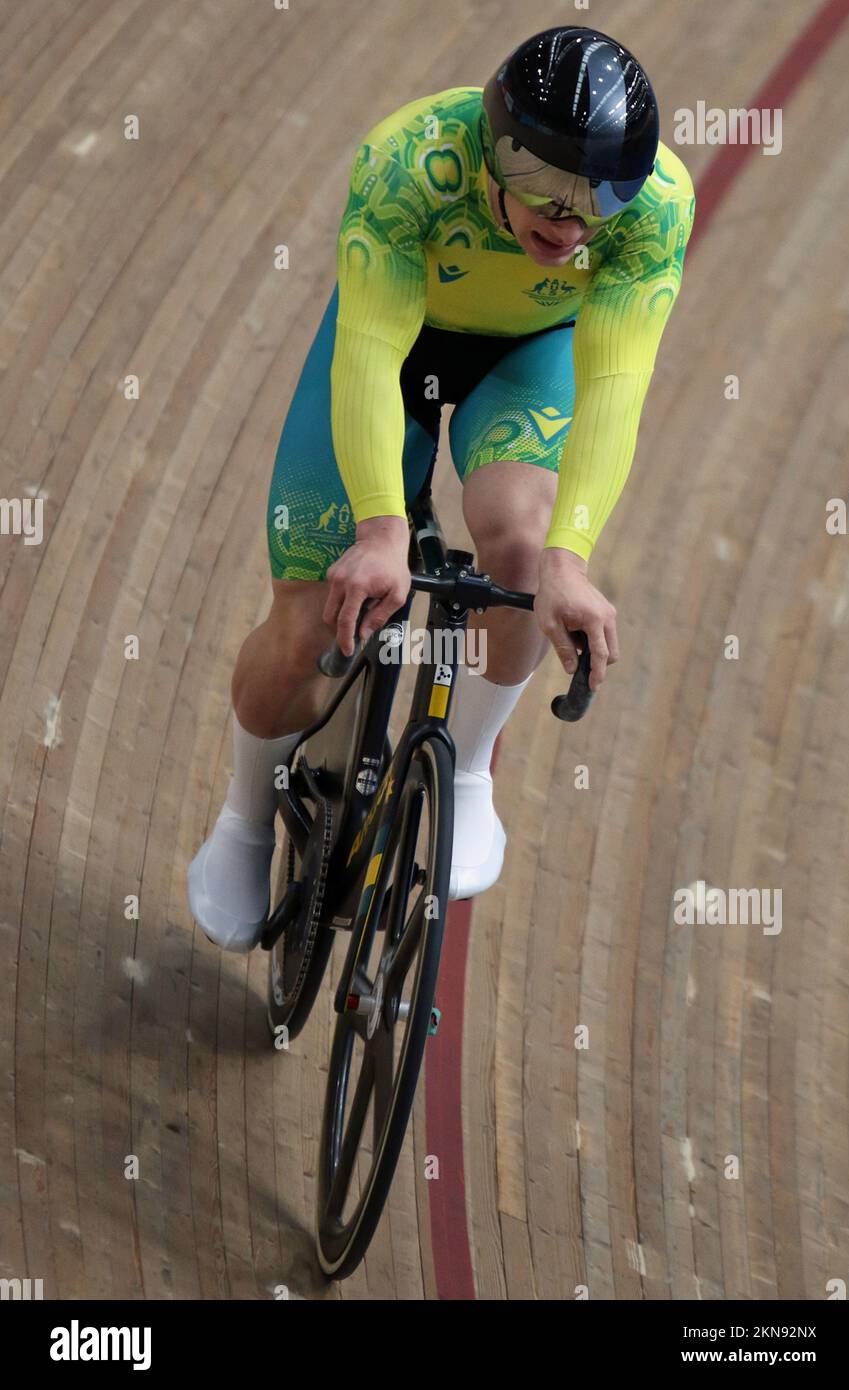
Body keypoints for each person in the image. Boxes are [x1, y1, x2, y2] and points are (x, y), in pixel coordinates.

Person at [188, 24, 695, 952]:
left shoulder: (659, 207)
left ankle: (463, 769)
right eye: (546, 189)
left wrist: (570, 562)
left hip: (530, 360)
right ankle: (244, 820)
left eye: (598, 202)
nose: (571, 224)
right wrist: (381, 528)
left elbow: (617, 385)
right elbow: (371, 348)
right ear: (498, 149)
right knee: (307, 621)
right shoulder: (408, 162)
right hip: (402, 341)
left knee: (521, 550)